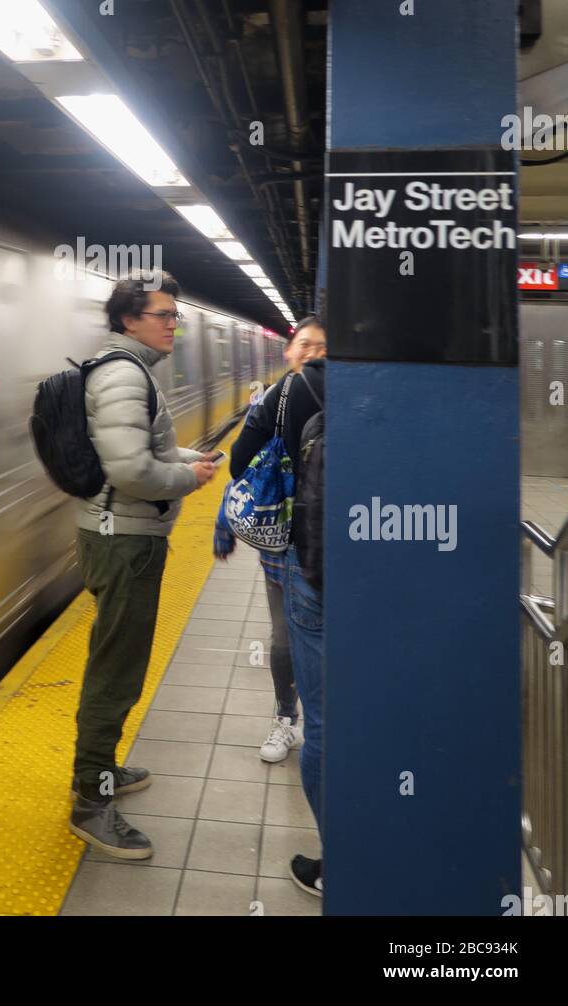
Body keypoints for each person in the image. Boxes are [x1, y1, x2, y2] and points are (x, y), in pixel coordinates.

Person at [69, 271, 218, 860]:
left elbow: (134, 451)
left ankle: (102, 769)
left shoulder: (125, 372)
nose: (173, 324)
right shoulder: (124, 376)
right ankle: (91, 799)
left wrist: (186, 458)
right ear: (129, 319)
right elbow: (132, 472)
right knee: (117, 671)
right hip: (124, 540)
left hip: (123, 536)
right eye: (164, 315)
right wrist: (188, 479)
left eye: (174, 315)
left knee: (118, 662)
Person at [228, 316, 326, 763]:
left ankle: (298, 721)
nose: (311, 352)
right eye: (304, 344)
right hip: (298, 538)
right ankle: (288, 717)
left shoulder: (278, 397)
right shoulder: (283, 397)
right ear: (287, 350)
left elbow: (240, 463)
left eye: (320, 346)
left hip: (298, 537)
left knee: (291, 637)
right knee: (288, 636)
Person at [283, 383, 325, 897]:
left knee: (323, 725)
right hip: (340, 590)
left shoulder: (311, 410)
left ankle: (338, 862)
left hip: (313, 583)